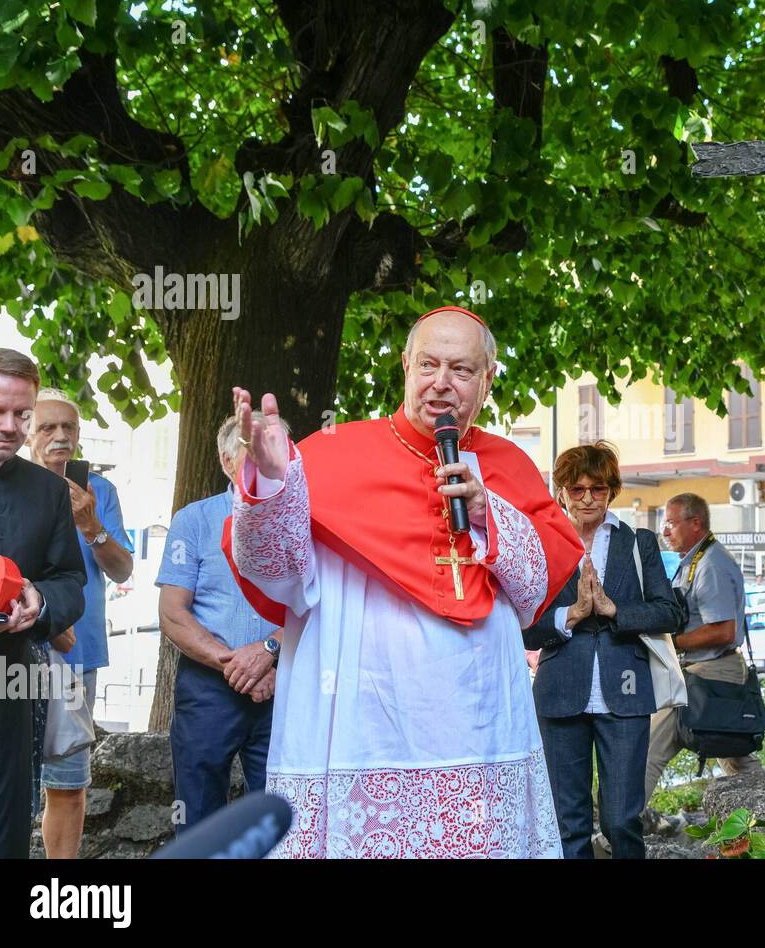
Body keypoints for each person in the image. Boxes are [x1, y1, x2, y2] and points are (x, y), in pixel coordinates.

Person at [227, 305, 584, 858]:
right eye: (428, 365)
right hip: (363, 721)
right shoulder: (329, 455)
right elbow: (276, 574)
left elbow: (535, 591)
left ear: (487, 380)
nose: (441, 383)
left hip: (477, 721)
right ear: (405, 366)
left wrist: (490, 512)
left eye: (462, 370)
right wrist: (270, 487)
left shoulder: (508, 465)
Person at [523, 443, 681, 859]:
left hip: (626, 696)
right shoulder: (543, 544)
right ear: (561, 492)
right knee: (566, 821)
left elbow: (670, 613)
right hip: (559, 695)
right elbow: (524, 629)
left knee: (621, 819)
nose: (588, 498)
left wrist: (615, 611)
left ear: (612, 490)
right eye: (577, 490)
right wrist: (570, 615)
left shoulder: (638, 543)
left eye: (598, 488)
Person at [156, 412, 288, 834]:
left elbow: (320, 606)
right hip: (210, 688)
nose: (268, 460)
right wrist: (238, 664)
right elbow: (172, 614)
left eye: (278, 450)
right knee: (197, 817)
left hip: (286, 684)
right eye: (254, 451)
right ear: (226, 461)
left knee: (285, 817)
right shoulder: (193, 521)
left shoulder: (304, 521)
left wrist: (269, 653)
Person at [0, 349, 86, 859]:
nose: (11, 427)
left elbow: (71, 580)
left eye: (22, 414)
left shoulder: (47, 490)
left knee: (4, 829)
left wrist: (39, 601)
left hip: (9, 690)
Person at [27, 388, 134, 858]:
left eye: (69, 427)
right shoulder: (4, 485)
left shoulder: (99, 492)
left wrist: (91, 525)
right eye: (47, 427)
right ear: (28, 432)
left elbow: (123, 570)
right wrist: (47, 620)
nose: (60, 436)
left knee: (67, 785)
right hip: (9, 652)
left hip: (75, 656)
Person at [643, 493, 762, 816]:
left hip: (711, 671)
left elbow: (723, 630)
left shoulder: (711, 564)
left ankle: (617, 835)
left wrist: (673, 643)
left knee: (648, 748)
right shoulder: (698, 560)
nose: (665, 532)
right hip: (706, 669)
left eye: (670, 523)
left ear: (695, 523)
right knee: (732, 749)